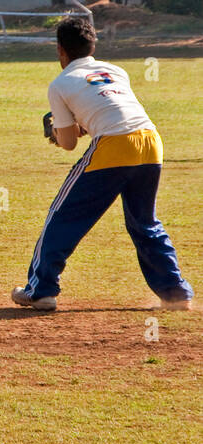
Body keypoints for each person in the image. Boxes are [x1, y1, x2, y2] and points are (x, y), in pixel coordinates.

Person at [13, 16, 193, 312]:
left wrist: (58, 133)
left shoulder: (60, 83)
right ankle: (175, 293)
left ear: (60, 50)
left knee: (62, 215)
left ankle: (41, 290)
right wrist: (80, 125)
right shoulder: (116, 71)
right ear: (92, 45)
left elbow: (69, 143)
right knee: (145, 222)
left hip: (114, 146)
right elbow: (108, 109)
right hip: (150, 141)